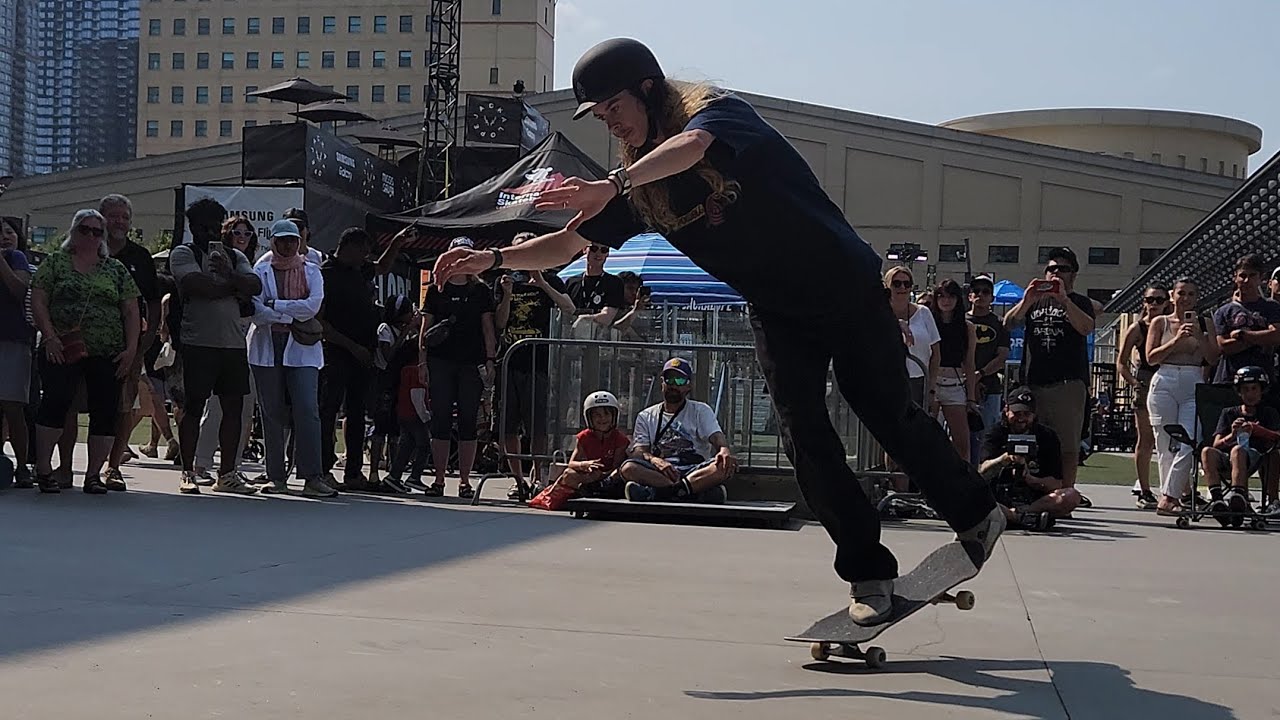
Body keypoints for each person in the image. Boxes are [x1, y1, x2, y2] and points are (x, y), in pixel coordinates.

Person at [430, 38, 1004, 626]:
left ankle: (974, 512)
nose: (611, 122)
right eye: (600, 116)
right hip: (778, 311)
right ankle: (869, 573)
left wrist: (616, 185)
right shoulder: (636, 184)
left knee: (884, 412)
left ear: (648, 89)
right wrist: (495, 260)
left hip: (844, 286)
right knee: (803, 434)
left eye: (614, 107)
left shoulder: (717, 114)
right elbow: (570, 242)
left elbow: (692, 147)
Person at [29, 209, 140, 493]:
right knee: (57, 401)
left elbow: (130, 310)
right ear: (74, 231)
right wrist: (50, 337)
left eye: (97, 231)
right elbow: (39, 301)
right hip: (62, 345)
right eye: (85, 229)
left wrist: (130, 350)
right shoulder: (55, 263)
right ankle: (44, 467)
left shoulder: (115, 269)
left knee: (105, 409)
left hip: (107, 348)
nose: (91, 235)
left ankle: (93, 474)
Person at [169, 199, 262, 495]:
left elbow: (256, 286)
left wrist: (230, 275)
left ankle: (228, 473)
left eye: (214, 227)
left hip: (233, 344)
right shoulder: (185, 253)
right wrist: (234, 287)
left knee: (233, 408)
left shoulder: (234, 257)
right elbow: (199, 287)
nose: (209, 233)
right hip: (198, 342)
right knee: (193, 407)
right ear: (192, 227)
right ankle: (188, 471)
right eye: (202, 227)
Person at [316, 225, 411, 489]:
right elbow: (322, 323)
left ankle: (354, 472)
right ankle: (323, 469)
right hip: (336, 351)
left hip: (363, 354)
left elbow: (381, 267)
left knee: (358, 413)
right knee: (329, 410)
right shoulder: (326, 274)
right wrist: (351, 346)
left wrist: (396, 243)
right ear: (349, 247)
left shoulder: (360, 270)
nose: (366, 257)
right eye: (364, 252)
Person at [247, 220, 335, 498]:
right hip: (266, 345)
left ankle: (312, 477)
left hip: (303, 347)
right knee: (271, 413)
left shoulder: (311, 270)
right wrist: (289, 312)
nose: (287, 245)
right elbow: (256, 311)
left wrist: (278, 307)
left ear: (300, 242)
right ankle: (275, 475)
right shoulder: (260, 270)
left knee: (307, 410)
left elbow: (312, 307)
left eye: (292, 240)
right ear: (272, 242)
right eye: (282, 240)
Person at [1004, 247, 1097, 490]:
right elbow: (1010, 323)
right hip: (1034, 382)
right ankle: (1034, 488)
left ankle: (1066, 493)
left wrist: (1064, 300)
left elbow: (1086, 327)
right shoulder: (1034, 301)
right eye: (1051, 269)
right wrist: (1027, 300)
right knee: (1029, 439)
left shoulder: (1079, 302)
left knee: (1067, 444)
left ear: (1073, 275)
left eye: (1062, 269)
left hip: (1067, 383)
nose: (1056, 274)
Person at [493, 231, 576, 497]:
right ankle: (517, 480)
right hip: (510, 361)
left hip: (539, 363)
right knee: (508, 426)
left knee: (538, 426)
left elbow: (569, 308)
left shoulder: (550, 278)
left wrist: (542, 284)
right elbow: (499, 323)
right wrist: (506, 294)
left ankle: (539, 478)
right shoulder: (505, 280)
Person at [419, 236, 497, 499]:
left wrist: (490, 359)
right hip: (440, 360)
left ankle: (465, 481)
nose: (460, 261)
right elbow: (425, 327)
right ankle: (439, 480)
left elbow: (488, 327)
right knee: (440, 419)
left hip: (470, 361)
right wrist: (422, 361)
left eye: (466, 255)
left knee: (468, 421)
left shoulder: (481, 290)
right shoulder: (436, 288)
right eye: (456, 255)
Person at [190, 216, 261, 484]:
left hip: (247, 343)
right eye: (236, 232)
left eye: (247, 232)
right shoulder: (215, 260)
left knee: (243, 409)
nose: (242, 236)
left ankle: (232, 467)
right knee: (215, 407)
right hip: (217, 341)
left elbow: (256, 296)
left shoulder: (251, 265)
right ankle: (201, 463)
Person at [97, 194, 161, 492]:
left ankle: (113, 467)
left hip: (128, 347)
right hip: (89, 344)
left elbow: (152, 302)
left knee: (125, 406)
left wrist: (144, 345)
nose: (119, 221)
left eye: (124, 216)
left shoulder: (140, 257)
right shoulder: (86, 251)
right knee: (75, 404)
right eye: (113, 216)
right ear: (100, 219)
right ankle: (68, 467)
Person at [1145, 278, 1219, 516]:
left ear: (1197, 298)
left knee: (1189, 441)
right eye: (1181, 293)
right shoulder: (1160, 322)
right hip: (1164, 379)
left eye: (1190, 294)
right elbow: (1151, 357)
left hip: (1193, 380)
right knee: (1165, 443)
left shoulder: (1205, 323)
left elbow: (1213, 358)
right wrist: (1177, 341)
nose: (1185, 298)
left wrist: (1199, 337)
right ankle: (1170, 498)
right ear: (1172, 296)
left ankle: (1169, 496)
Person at [618, 358, 736, 504]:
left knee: (722, 467)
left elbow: (716, 436)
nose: (673, 385)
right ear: (662, 383)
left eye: (679, 381)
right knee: (628, 468)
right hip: (661, 473)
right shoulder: (645, 416)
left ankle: (657, 493)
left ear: (688, 386)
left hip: (695, 469)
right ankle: (691, 492)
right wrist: (656, 460)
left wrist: (724, 449)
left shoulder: (700, 410)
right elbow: (639, 452)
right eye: (669, 380)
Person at [979, 387, 1081, 528]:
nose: (1021, 419)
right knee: (971, 497)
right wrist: (1004, 459)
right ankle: (1023, 518)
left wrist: (1031, 479)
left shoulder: (1047, 436)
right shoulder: (996, 432)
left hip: (1034, 499)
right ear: (1006, 410)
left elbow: (1056, 483)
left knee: (1071, 496)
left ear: (1034, 414)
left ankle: (1016, 515)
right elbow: (982, 471)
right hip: (998, 495)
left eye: (1026, 414)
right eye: (1016, 413)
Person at [1200, 366, 1280, 521]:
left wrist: (1257, 430)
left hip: (1256, 457)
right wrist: (1232, 434)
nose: (1250, 394)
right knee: (1206, 451)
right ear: (1239, 392)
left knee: (1238, 451)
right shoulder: (1229, 413)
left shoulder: (1268, 413)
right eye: (1245, 390)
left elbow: (1277, 437)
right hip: (1227, 457)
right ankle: (1218, 500)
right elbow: (1216, 444)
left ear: (1261, 390)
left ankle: (1238, 496)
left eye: (1254, 389)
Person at [528, 391, 630, 511]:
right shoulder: (583, 437)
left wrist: (602, 476)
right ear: (589, 417)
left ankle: (591, 491)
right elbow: (571, 463)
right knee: (569, 474)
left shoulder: (620, 439)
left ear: (614, 416)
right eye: (597, 415)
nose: (602, 419)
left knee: (617, 475)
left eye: (607, 415)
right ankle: (579, 493)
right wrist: (584, 465)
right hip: (590, 476)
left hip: (610, 479)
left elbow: (616, 467)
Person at [1116, 284, 1168, 509]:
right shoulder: (1138, 328)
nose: (1153, 304)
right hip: (1147, 380)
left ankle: (1175, 489)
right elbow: (1121, 362)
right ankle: (1145, 490)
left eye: (1158, 300)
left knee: (1171, 438)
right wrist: (1135, 383)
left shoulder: (1170, 324)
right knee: (1145, 438)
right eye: (1150, 300)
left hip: (1169, 379)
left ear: (1167, 302)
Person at [368, 295, 417, 488]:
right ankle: (373, 472)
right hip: (383, 381)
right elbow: (389, 356)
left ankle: (392, 473)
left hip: (399, 382)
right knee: (380, 428)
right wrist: (406, 332)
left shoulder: (406, 331)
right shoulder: (385, 329)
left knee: (396, 430)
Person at [0, 216, 33, 487]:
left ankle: (23, 465)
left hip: (12, 339)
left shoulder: (17, 258)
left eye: (9, 232)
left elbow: (20, 290)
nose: (5, 237)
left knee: (13, 405)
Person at [1212, 254, 1280, 385]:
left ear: (1261, 279)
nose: (1247, 280)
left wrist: (1242, 335)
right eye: (1242, 275)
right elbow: (1224, 346)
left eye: (1252, 275)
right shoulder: (1223, 311)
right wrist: (1261, 336)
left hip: (1264, 380)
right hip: (1230, 380)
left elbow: (1276, 336)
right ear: (1235, 278)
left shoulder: (1272, 307)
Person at [931, 279, 978, 462]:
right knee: (928, 436)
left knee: (962, 442)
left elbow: (970, 362)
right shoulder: (929, 321)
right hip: (932, 382)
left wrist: (971, 397)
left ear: (958, 299)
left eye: (951, 296)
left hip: (955, 384)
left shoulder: (967, 327)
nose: (946, 300)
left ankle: (963, 484)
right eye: (941, 296)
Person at [966, 275, 1011, 459]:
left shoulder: (1000, 324)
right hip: (960, 386)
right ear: (970, 296)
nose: (980, 295)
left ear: (992, 297)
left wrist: (980, 374)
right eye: (976, 291)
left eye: (985, 292)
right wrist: (969, 377)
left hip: (990, 388)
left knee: (987, 436)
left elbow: (1002, 356)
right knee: (960, 435)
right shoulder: (960, 321)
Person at [380, 341, 431, 494]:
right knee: (424, 445)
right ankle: (415, 476)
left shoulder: (404, 369)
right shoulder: (417, 370)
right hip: (415, 415)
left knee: (406, 445)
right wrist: (426, 416)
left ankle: (394, 476)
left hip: (402, 413)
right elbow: (417, 395)